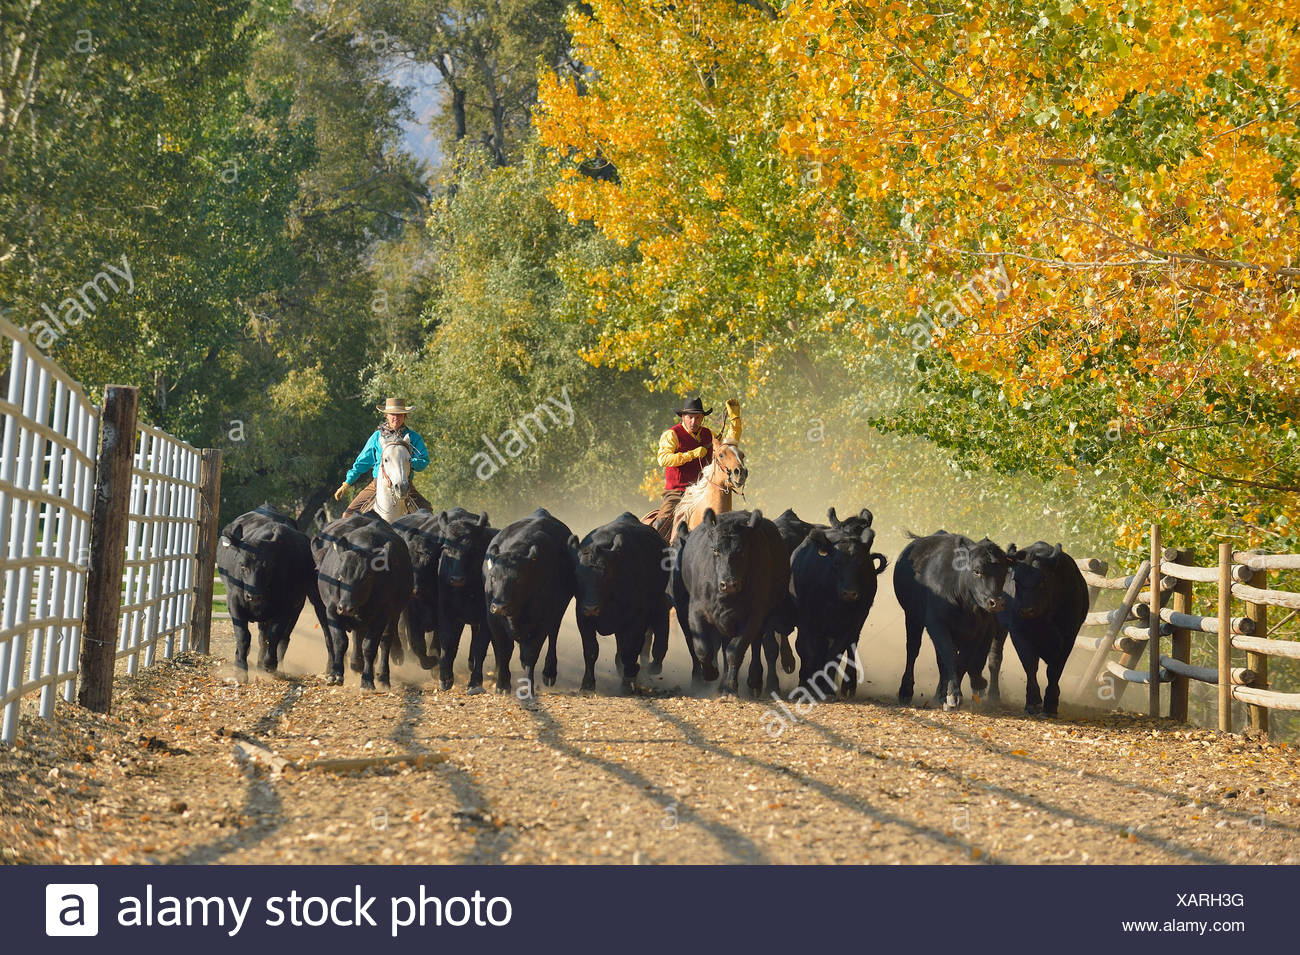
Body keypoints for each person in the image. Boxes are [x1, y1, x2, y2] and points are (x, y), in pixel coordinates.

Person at [652, 395, 741, 539]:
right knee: (662, 523)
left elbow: (727, 446)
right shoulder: (672, 434)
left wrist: (735, 419)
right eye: (690, 417)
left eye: (698, 418)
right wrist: (692, 454)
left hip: (703, 490)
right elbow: (663, 459)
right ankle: (657, 552)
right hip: (677, 492)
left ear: (702, 418)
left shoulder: (708, 434)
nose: (694, 422)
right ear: (683, 417)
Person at [335, 398, 432, 515]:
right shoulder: (377, 437)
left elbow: (424, 460)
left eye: (400, 414)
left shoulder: (413, 437)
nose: (396, 417)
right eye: (393, 414)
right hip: (377, 485)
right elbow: (362, 462)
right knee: (348, 515)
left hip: (406, 485)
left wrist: (409, 461)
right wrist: (347, 482)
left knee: (428, 514)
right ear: (386, 415)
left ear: (405, 415)